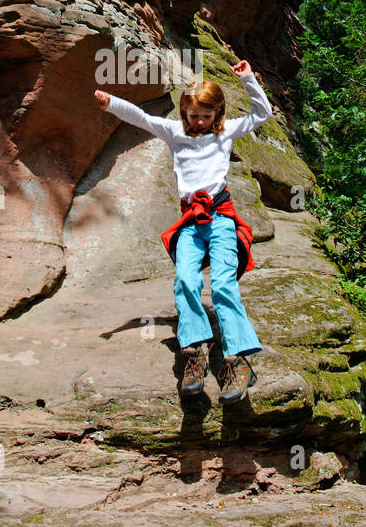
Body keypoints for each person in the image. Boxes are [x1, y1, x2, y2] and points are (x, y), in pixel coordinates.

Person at [94, 60, 272, 402]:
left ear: (217, 113)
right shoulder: (175, 133)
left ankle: (238, 361)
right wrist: (111, 102)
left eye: (206, 116)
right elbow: (142, 118)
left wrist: (249, 78)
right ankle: (194, 353)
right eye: (193, 115)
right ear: (184, 112)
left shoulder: (226, 131)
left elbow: (261, 113)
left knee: (222, 283)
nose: (200, 122)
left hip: (220, 217)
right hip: (191, 222)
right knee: (185, 280)